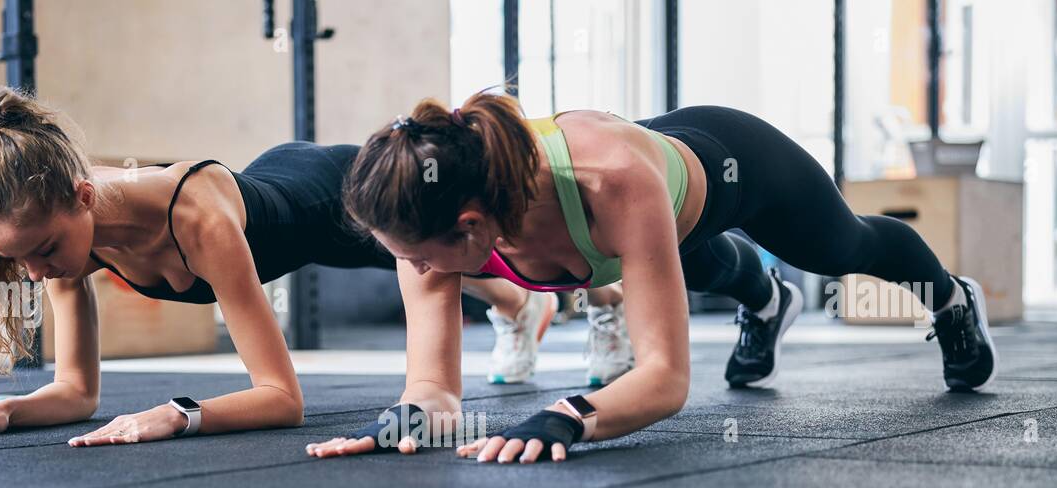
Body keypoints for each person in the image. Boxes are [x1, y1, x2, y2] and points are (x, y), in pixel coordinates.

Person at [305, 93, 996, 464]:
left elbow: (665, 378)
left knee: (846, 247)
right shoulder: (421, 215)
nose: (414, 270)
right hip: (642, 230)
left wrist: (572, 417)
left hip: (736, 165)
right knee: (694, 263)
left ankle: (951, 299)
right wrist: (411, 418)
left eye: (420, 256)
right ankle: (765, 300)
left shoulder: (613, 182)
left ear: (472, 226)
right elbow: (434, 388)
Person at [0, 87, 528, 446]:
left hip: (328, 195)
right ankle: (522, 308)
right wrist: (10, 409)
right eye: (17, 258)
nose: (34, 273)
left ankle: (544, 301)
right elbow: (78, 393)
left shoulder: (197, 221)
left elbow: (282, 399)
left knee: (463, 255)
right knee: (445, 270)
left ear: (84, 196)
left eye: (44, 252)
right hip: (270, 183)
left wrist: (180, 412)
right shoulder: (55, 236)